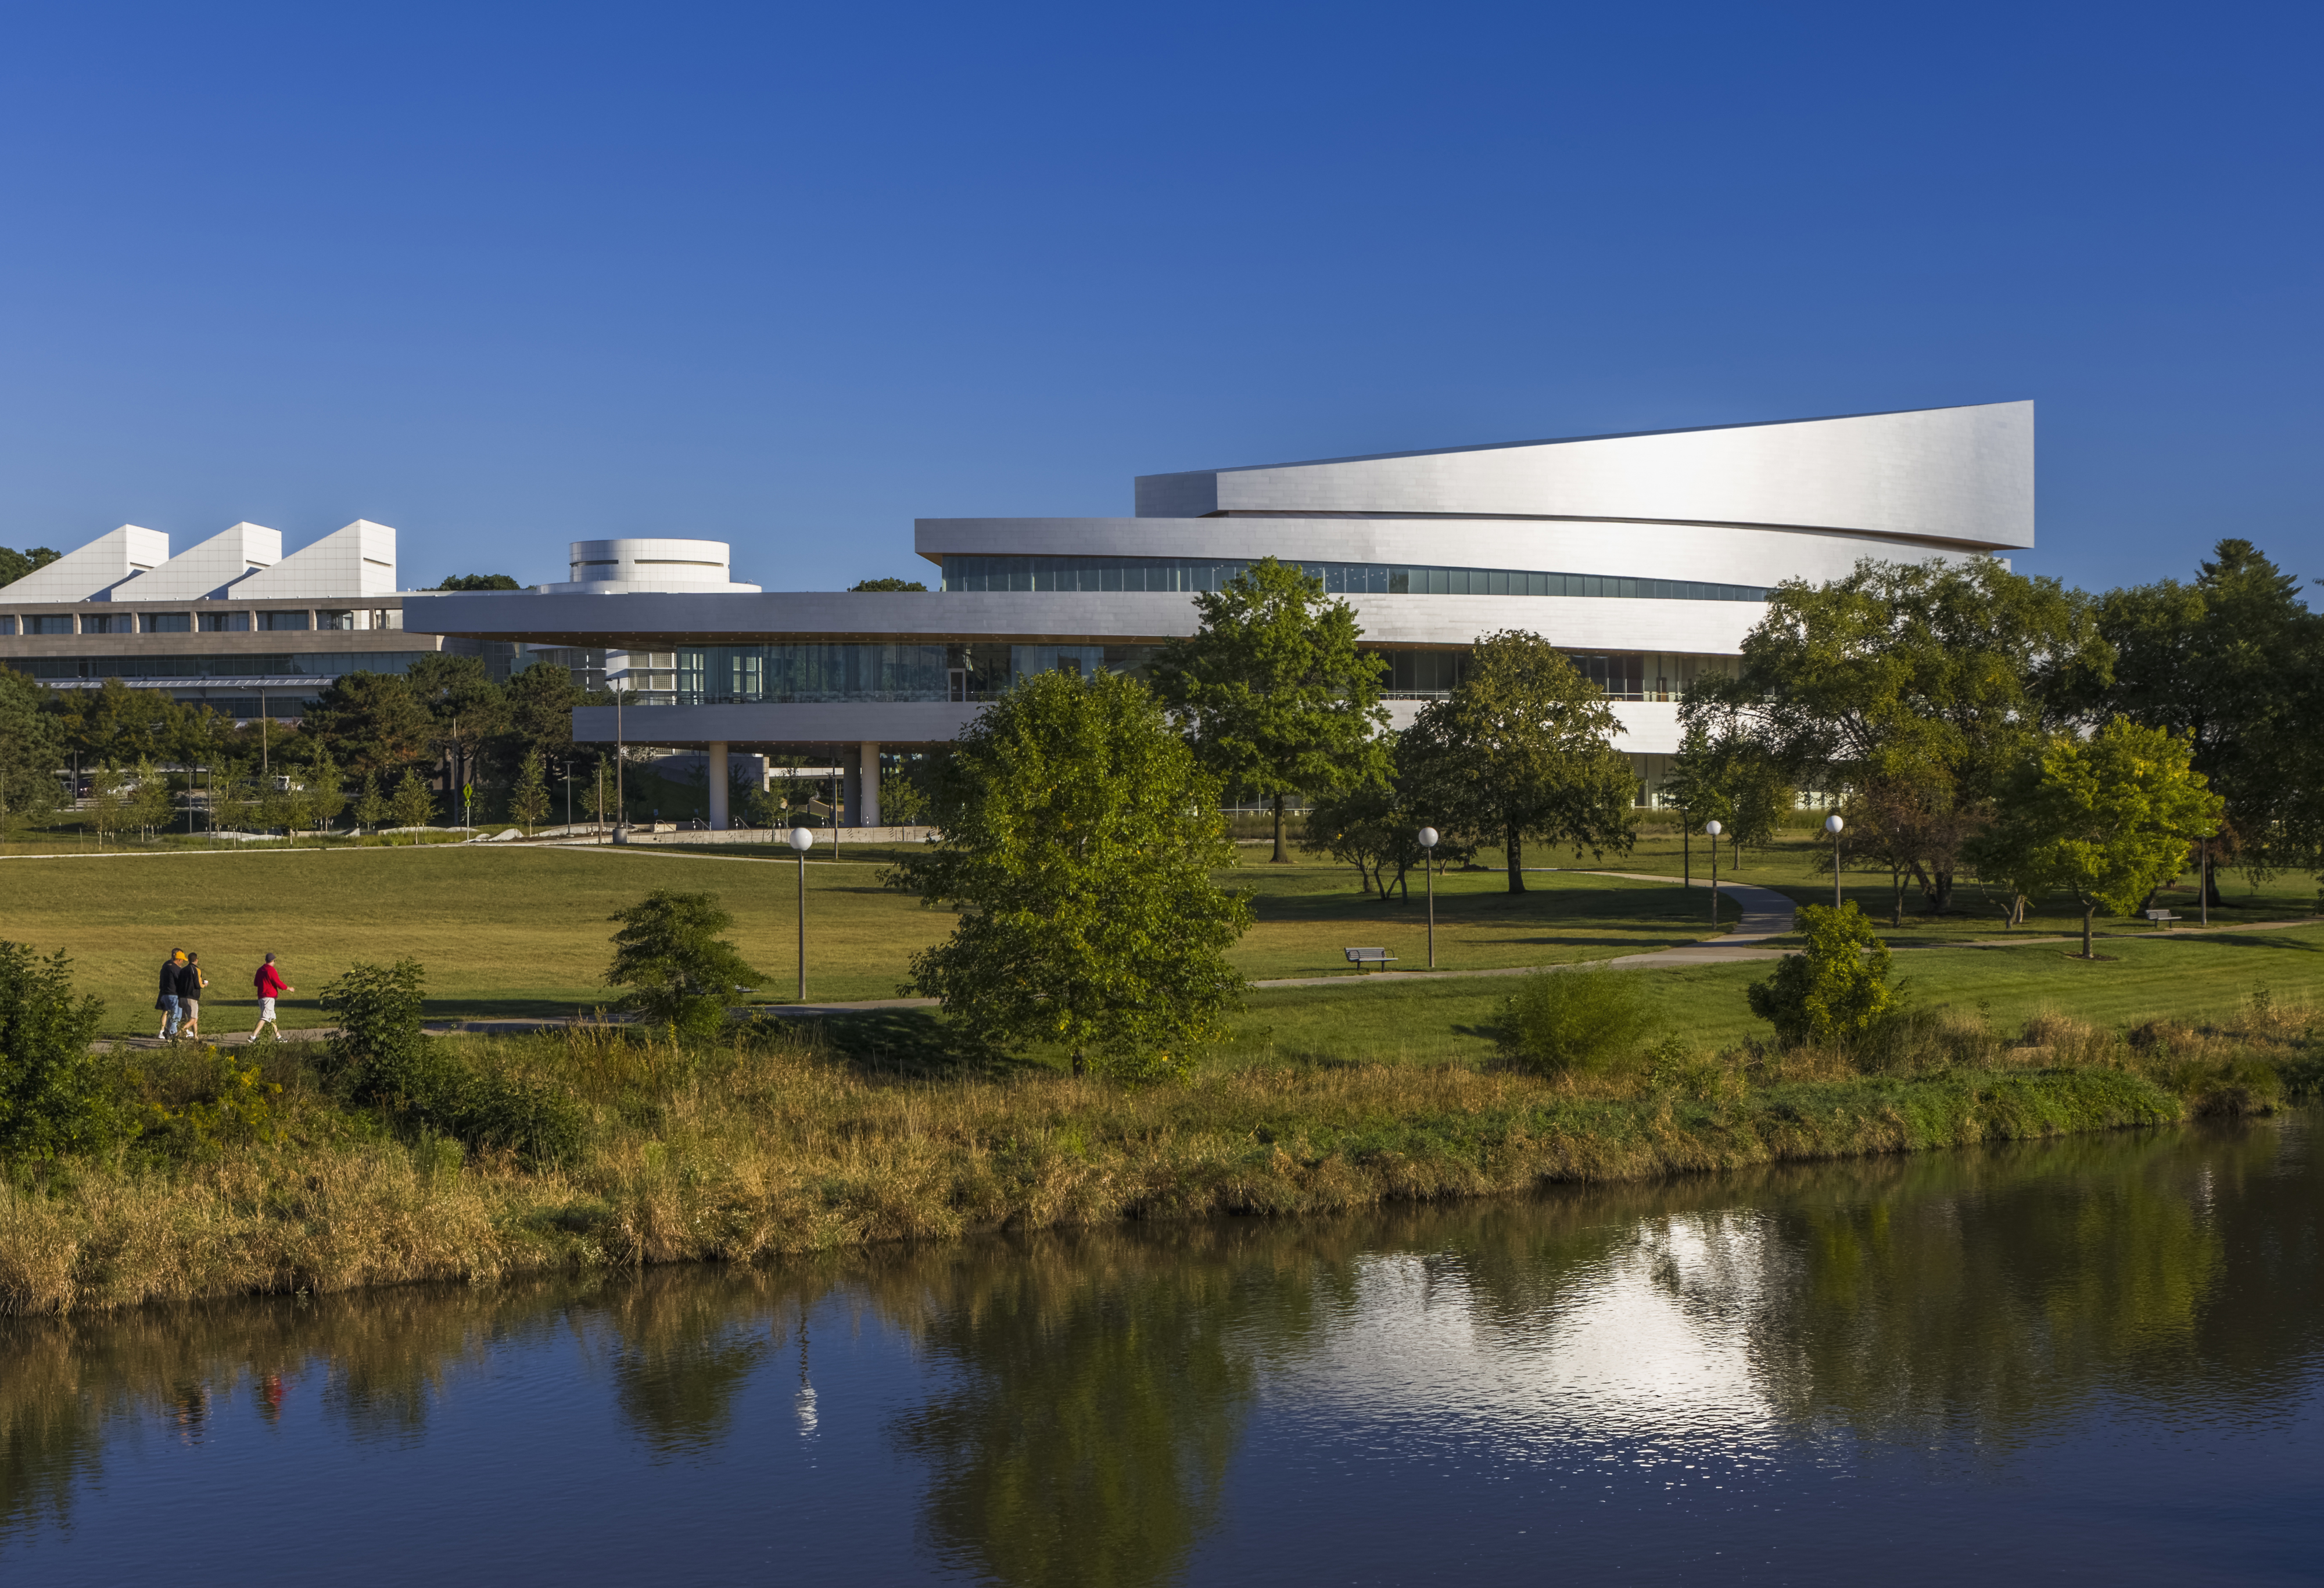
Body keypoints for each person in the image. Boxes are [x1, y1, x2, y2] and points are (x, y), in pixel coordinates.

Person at [250, 953, 293, 1042]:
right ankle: (252, 1037)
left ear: (266, 960)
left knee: (272, 1018)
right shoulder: (271, 970)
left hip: (261, 997)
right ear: (273, 961)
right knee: (265, 1017)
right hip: (269, 997)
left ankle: (278, 1037)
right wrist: (288, 988)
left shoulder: (260, 970)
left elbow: (256, 983)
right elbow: (278, 983)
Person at [156, 949, 186, 1040]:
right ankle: (172, 1034)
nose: (182, 963)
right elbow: (180, 982)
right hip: (174, 995)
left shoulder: (166, 966)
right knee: (176, 1015)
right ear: (179, 960)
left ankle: (167, 1031)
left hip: (165, 994)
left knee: (170, 1014)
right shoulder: (176, 969)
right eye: (182, 961)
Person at [178, 951, 209, 1039]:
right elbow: (198, 984)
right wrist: (204, 985)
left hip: (182, 996)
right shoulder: (196, 970)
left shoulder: (183, 970)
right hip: (191, 996)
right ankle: (179, 1033)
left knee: (194, 1018)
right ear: (196, 960)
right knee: (193, 1019)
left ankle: (196, 1037)